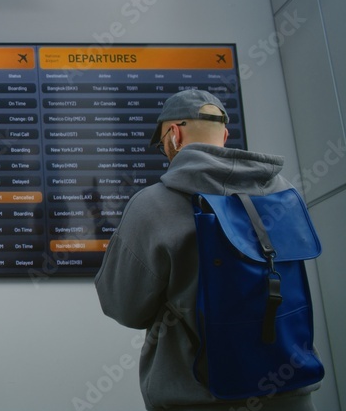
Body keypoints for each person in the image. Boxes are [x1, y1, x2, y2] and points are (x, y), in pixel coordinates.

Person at [94, 89, 318, 411]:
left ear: (174, 135)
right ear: (225, 135)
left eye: (162, 145)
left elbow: (123, 306)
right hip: (293, 391)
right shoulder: (285, 191)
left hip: (197, 396)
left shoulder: (153, 203)